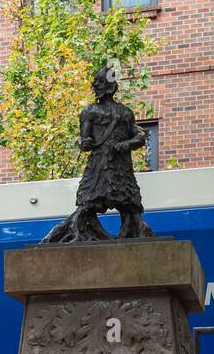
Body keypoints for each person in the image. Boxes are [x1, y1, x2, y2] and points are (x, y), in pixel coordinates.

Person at [42, 65, 155, 243]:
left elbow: (139, 136)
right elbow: (85, 143)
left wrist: (125, 143)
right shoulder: (95, 113)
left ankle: (130, 230)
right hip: (103, 164)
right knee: (90, 203)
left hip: (115, 165)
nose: (96, 87)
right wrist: (87, 142)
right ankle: (101, 233)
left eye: (99, 83)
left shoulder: (121, 113)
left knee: (124, 203)